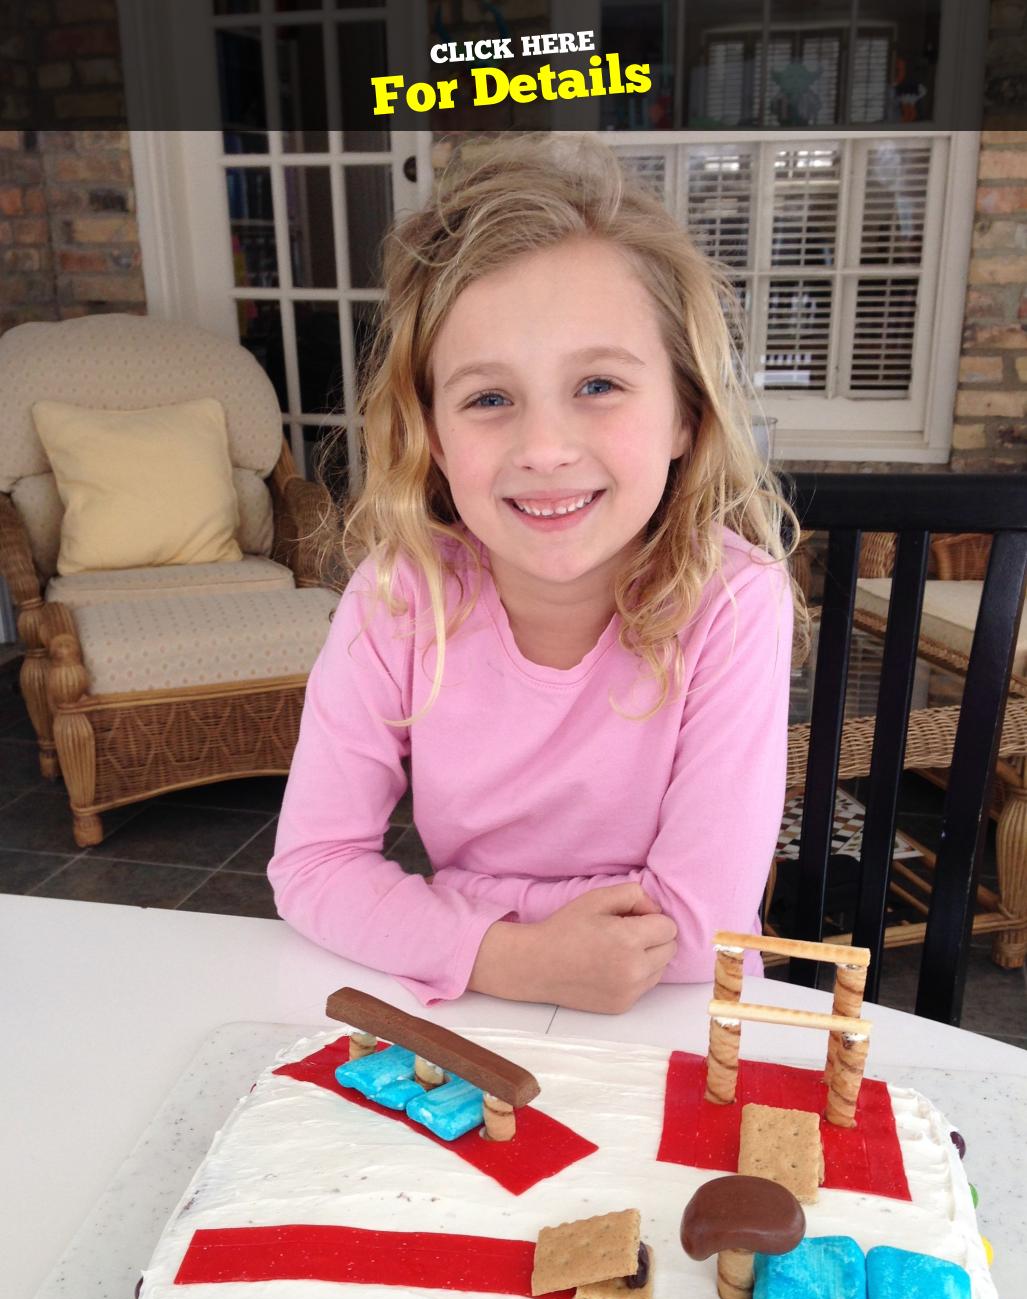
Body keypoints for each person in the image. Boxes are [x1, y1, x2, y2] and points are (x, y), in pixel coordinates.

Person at [268, 134, 803, 1013]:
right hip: (474, 1015)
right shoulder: (399, 595)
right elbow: (313, 865)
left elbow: (696, 931)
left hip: (667, 1026)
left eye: (597, 383)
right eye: (488, 398)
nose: (545, 449)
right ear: (434, 437)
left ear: (684, 413)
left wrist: (444, 914)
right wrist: (515, 958)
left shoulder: (733, 602)